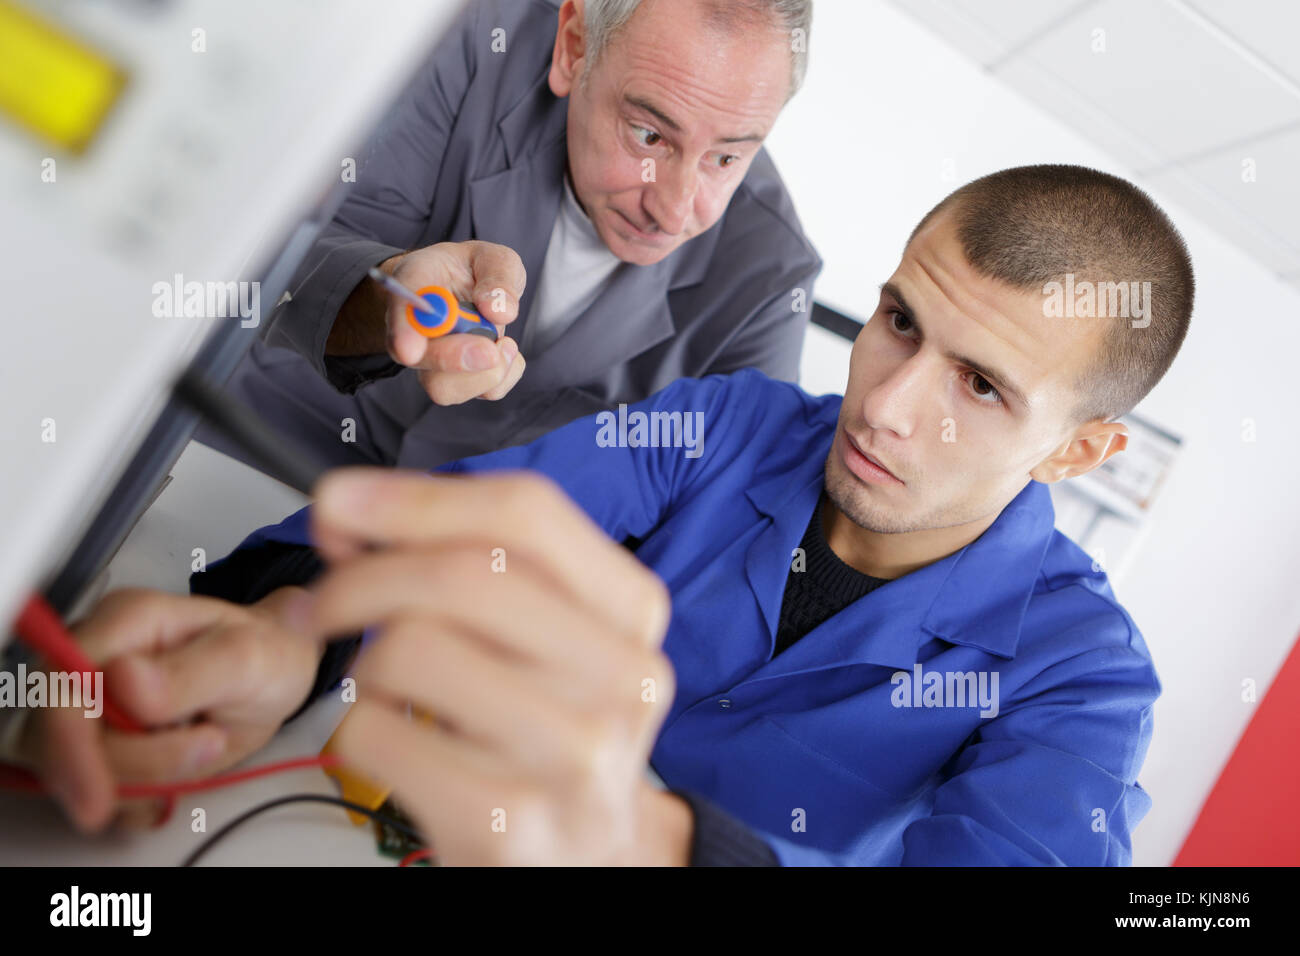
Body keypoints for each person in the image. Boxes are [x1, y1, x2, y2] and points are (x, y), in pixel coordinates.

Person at [22, 164, 1193, 866]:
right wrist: (285, 628)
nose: (883, 406)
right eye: (896, 322)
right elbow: (467, 519)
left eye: (980, 386)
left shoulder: (1084, 680)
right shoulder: (733, 423)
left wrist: (658, 846)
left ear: (1080, 449)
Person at [202, 0, 821, 472]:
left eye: (726, 159)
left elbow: (716, 517)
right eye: (649, 136)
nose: (675, 208)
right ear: (574, 47)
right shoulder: (469, 41)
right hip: (253, 452)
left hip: (468, 586)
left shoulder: (772, 278)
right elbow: (275, 260)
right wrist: (387, 295)